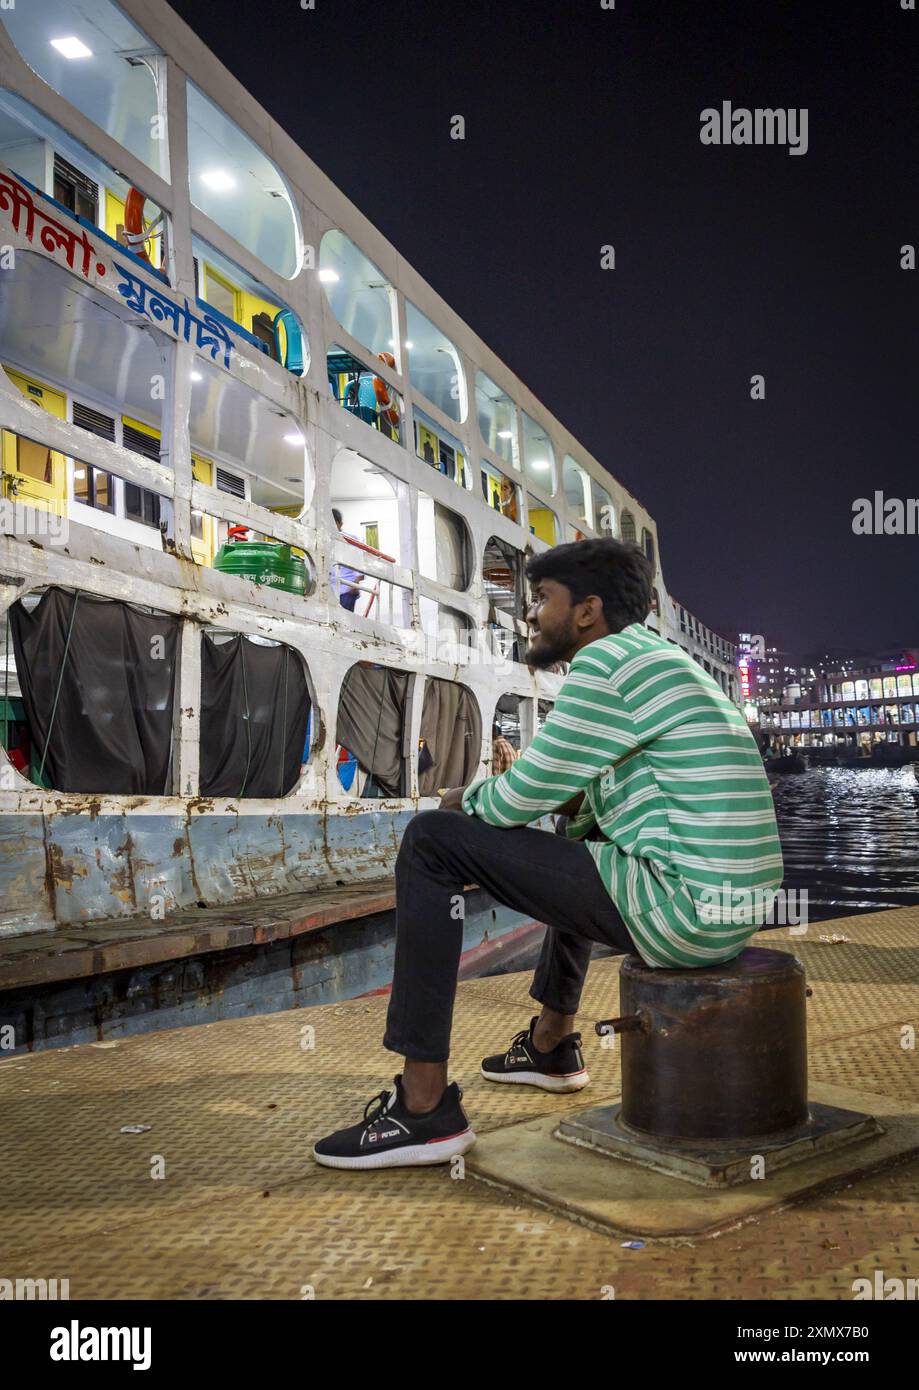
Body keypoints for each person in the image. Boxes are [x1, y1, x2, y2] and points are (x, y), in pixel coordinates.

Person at [313, 538, 784, 1170]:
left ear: (586, 612)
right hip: (729, 908)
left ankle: (423, 1110)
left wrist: (461, 797)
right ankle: (551, 1045)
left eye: (542, 599)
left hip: (684, 912)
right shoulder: (661, 663)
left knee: (430, 843)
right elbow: (583, 808)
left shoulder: (607, 664)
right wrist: (539, 801)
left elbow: (515, 801)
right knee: (581, 836)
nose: (530, 615)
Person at [329, 508, 364, 612]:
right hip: (331, 589)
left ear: (340, 524)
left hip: (347, 589)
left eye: (333, 523)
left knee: (343, 622)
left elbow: (359, 562)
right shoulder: (326, 540)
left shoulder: (350, 539)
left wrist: (356, 583)